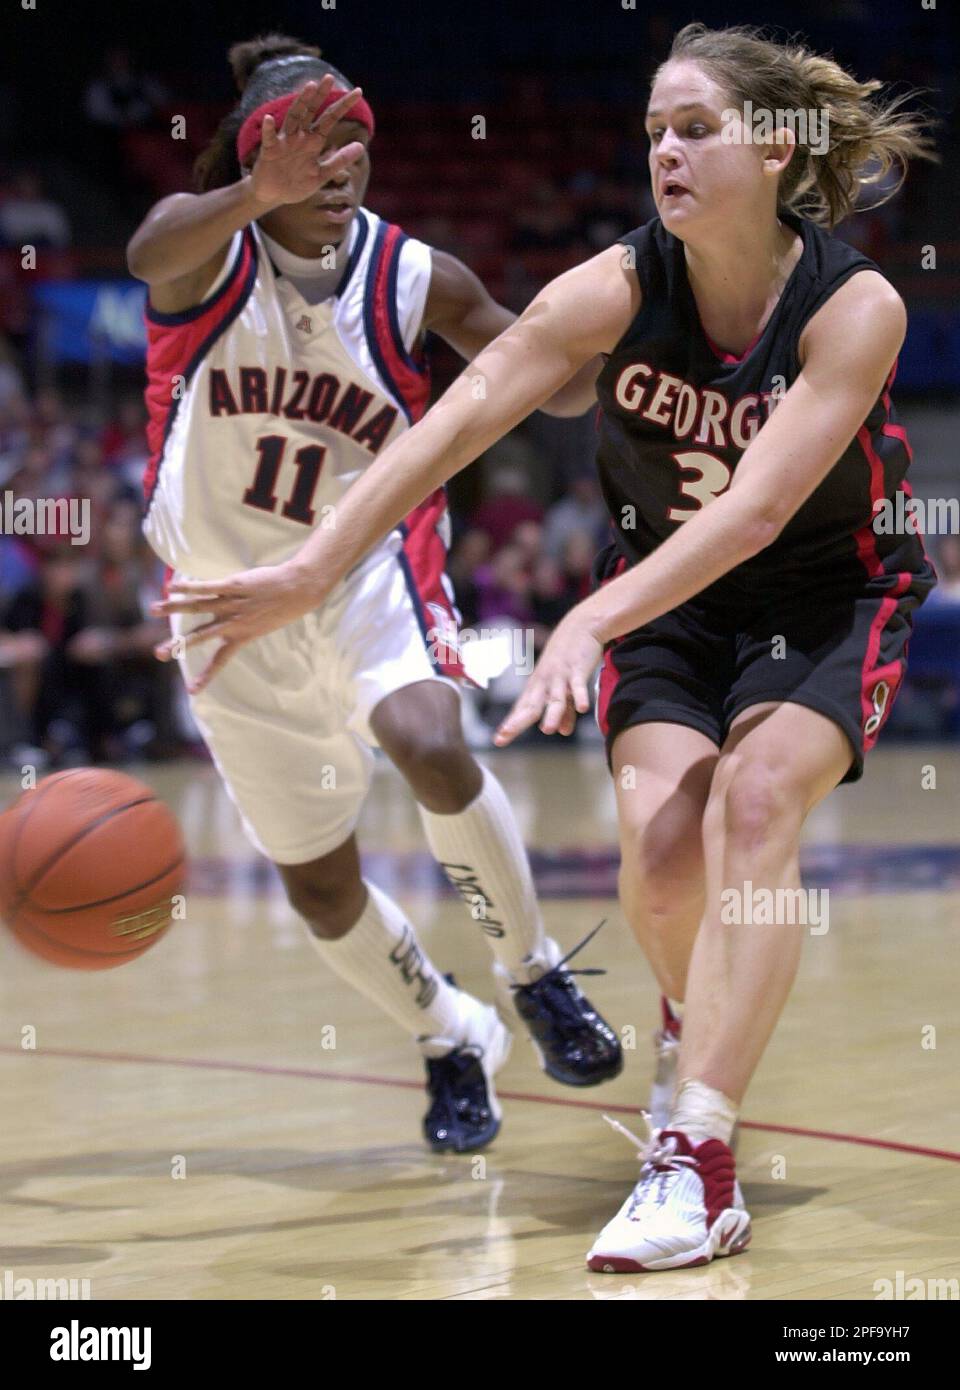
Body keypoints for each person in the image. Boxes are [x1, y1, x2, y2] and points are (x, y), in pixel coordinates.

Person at [157, 23, 938, 1270]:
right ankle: (695, 1009)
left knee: (755, 802)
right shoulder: (619, 287)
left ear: (778, 147)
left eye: (694, 128)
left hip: (827, 590)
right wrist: (315, 558)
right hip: (672, 604)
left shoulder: (857, 305)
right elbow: (456, 418)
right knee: (665, 864)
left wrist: (585, 616)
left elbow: (758, 511)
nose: (665, 154)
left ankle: (699, 1153)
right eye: (652, 134)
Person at [128, 33, 622, 1156]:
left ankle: (535, 972)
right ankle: (452, 1034)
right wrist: (252, 194)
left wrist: (631, 337)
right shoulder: (211, 258)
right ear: (259, 154)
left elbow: (549, 386)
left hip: (367, 573)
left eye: (353, 132)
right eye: (307, 138)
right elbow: (146, 248)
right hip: (221, 609)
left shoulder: (416, 275)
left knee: (426, 733)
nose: (338, 155)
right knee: (320, 887)